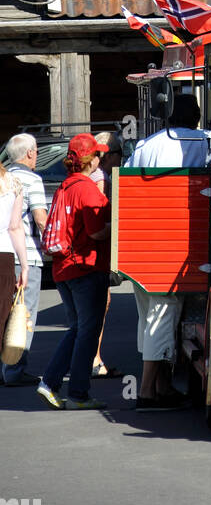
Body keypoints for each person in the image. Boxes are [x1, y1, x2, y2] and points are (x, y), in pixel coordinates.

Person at [125, 95, 210, 409]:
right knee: (163, 316)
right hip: (180, 242)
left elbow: (129, 188)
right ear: (197, 118)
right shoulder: (207, 143)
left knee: (148, 317)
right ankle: (147, 392)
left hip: (142, 240)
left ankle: (161, 387)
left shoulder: (146, 145)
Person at [37, 135, 110, 411]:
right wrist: (115, 227)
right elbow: (95, 231)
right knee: (87, 331)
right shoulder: (87, 189)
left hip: (62, 268)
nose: (101, 159)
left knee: (78, 328)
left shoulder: (64, 186)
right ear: (90, 160)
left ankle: (52, 382)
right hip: (85, 267)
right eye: (99, 155)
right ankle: (76, 391)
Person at [1, 134, 47, 386]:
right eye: (37, 151)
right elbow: (40, 219)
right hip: (25, 255)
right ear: (29, 153)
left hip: (3, 255)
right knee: (23, 314)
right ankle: (14, 370)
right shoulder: (32, 179)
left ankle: (3, 369)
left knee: (3, 312)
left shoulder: (3, 177)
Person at [90, 132, 125, 378]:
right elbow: (99, 220)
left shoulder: (94, 176)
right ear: (109, 155)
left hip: (89, 254)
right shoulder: (101, 180)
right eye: (120, 155)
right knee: (98, 304)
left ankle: (94, 358)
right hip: (95, 252)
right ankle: (93, 360)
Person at [0, 157, 29, 377]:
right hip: (4, 256)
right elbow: (14, 227)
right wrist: (25, 266)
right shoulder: (12, 182)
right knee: (2, 316)